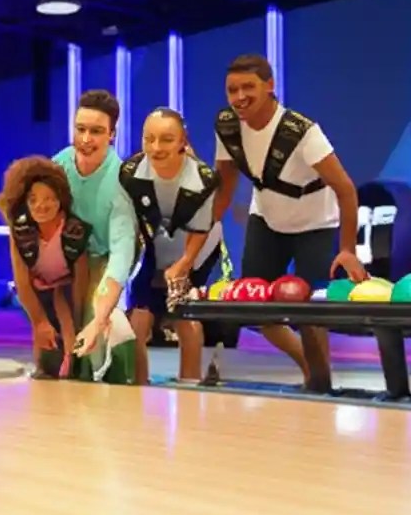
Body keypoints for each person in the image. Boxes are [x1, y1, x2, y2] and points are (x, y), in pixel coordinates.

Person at [212, 54, 367, 393]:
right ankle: (309, 366)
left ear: (269, 86)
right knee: (256, 309)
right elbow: (225, 185)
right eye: (232, 90)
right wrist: (202, 230)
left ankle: (320, 386)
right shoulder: (226, 125)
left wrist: (347, 250)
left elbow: (346, 190)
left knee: (310, 315)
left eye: (248, 87)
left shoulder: (302, 132)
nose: (239, 97)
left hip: (316, 223)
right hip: (267, 220)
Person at [118, 107, 223, 384]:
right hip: (159, 239)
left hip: (198, 242)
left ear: (182, 141)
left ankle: (189, 380)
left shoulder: (202, 179)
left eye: (166, 139)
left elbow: (200, 231)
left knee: (181, 307)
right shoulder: (130, 174)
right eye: (148, 138)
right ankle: (137, 381)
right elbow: (132, 226)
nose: (156, 147)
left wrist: (182, 265)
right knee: (140, 314)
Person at [50, 89, 140, 383]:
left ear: (112, 135)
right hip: (66, 260)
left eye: (97, 131)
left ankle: (133, 388)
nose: (86, 139)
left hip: (104, 260)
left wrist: (100, 317)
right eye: (81, 129)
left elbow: (121, 253)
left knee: (107, 330)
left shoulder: (121, 183)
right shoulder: (58, 165)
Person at [0, 156, 91, 379]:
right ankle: (44, 368)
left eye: (49, 199)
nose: (41, 206)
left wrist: (75, 324)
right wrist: (39, 322)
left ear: (60, 201)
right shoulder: (20, 232)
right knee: (47, 357)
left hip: (67, 289)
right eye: (33, 199)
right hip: (38, 291)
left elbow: (80, 284)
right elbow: (22, 283)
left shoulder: (75, 231)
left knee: (72, 349)